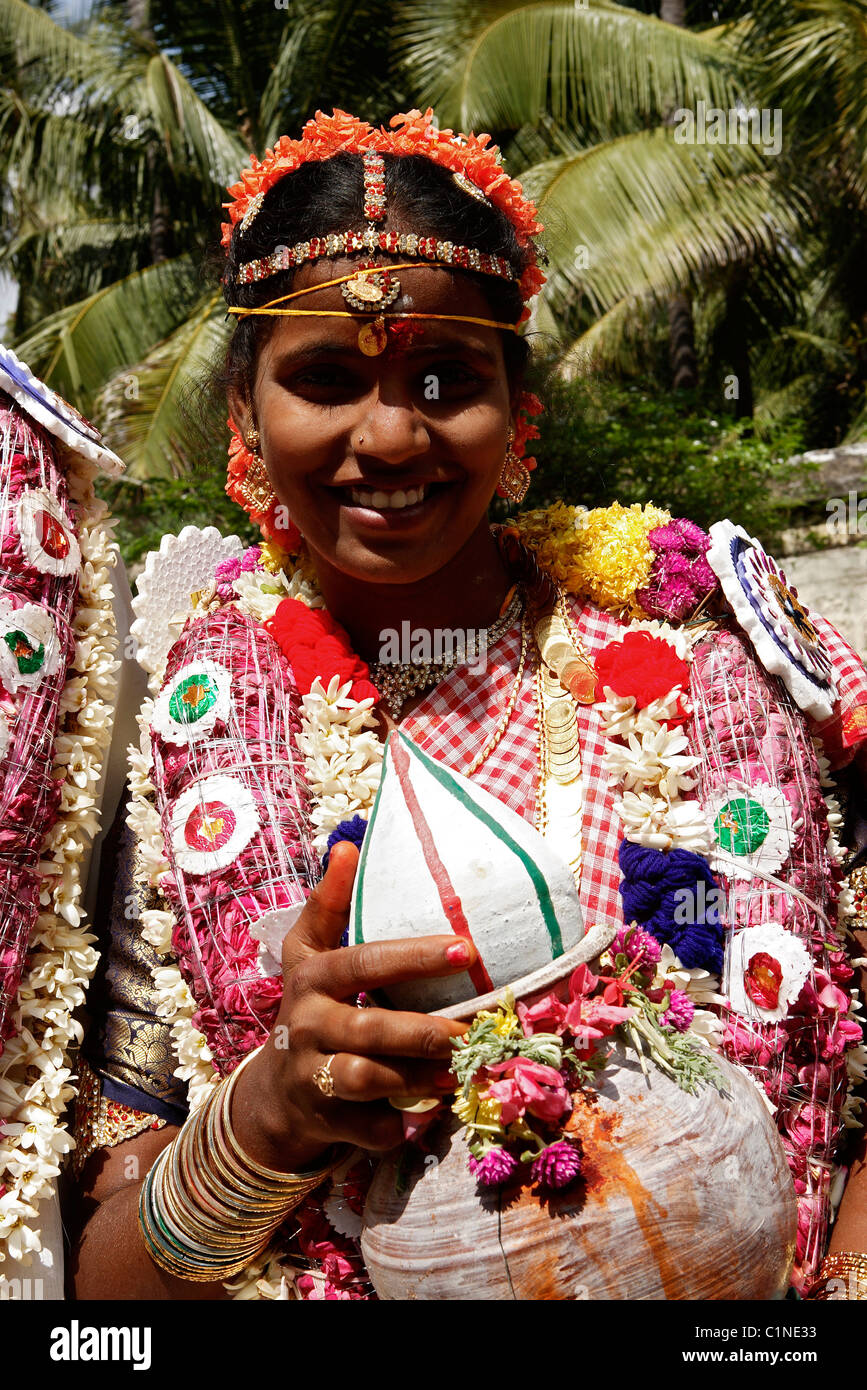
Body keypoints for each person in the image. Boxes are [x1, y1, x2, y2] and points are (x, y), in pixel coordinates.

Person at [66, 109, 867, 1302]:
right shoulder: (190, 739)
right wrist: (272, 1115)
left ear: (516, 403)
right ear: (244, 409)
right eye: (326, 378)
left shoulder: (705, 648)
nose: (390, 434)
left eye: (445, 378)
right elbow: (104, 1301)